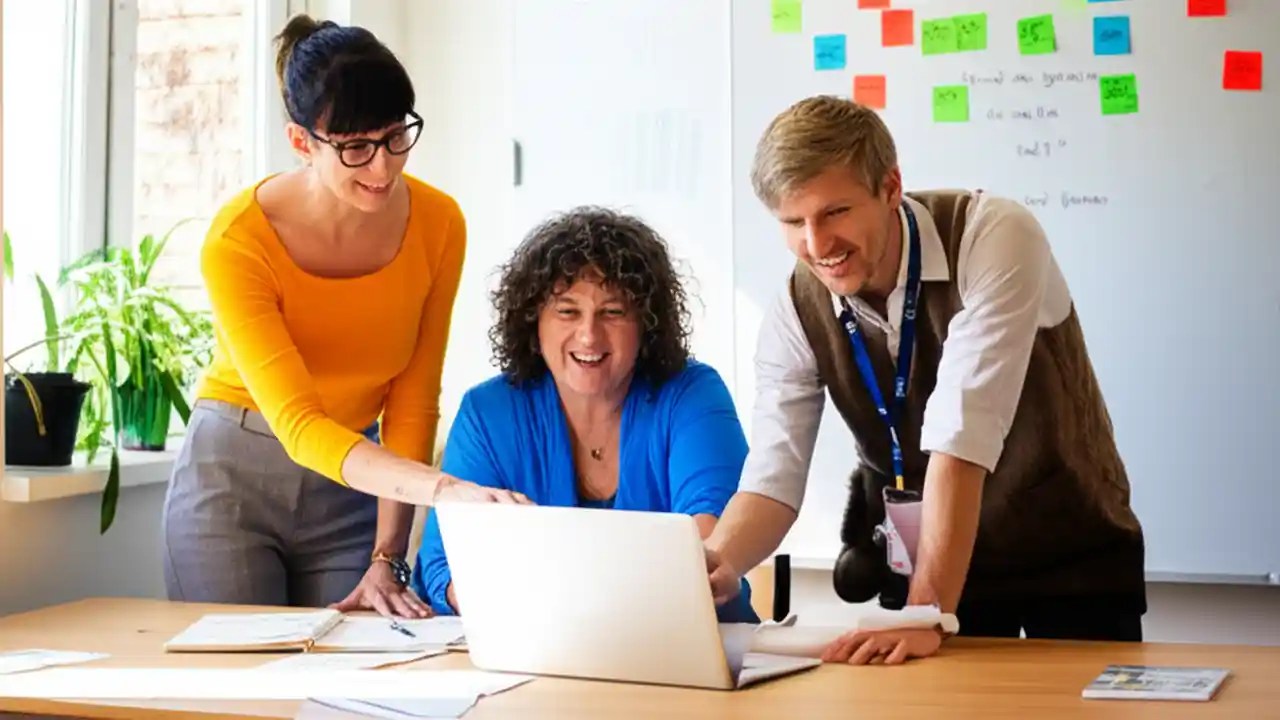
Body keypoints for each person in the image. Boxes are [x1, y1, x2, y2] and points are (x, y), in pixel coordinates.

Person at [704, 95, 1146, 663]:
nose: (816, 247)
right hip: (924, 567)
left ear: (891, 187)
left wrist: (925, 613)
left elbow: (963, 435)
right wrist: (719, 564)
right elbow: (773, 475)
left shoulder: (993, 235)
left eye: (834, 212)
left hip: (1067, 559)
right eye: (794, 222)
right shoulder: (796, 305)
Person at [162, 14, 524, 619]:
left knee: (351, 677)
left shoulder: (439, 224)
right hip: (234, 473)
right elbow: (300, 426)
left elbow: (412, 399)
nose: (383, 167)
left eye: (395, 136)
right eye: (355, 147)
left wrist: (389, 554)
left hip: (356, 479)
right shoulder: (239, 241)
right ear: (302, 142)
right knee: (235, 692)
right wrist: (443, 490)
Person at [410, 207, 759, 624]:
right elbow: (445, 566)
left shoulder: (693, 395)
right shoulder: (488, 413)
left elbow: (707, 542)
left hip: (689, 647)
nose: (589, 335)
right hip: (531, 654)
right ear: (532, 321)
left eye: (613, 312)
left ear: (646, 324)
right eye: (567, 311)